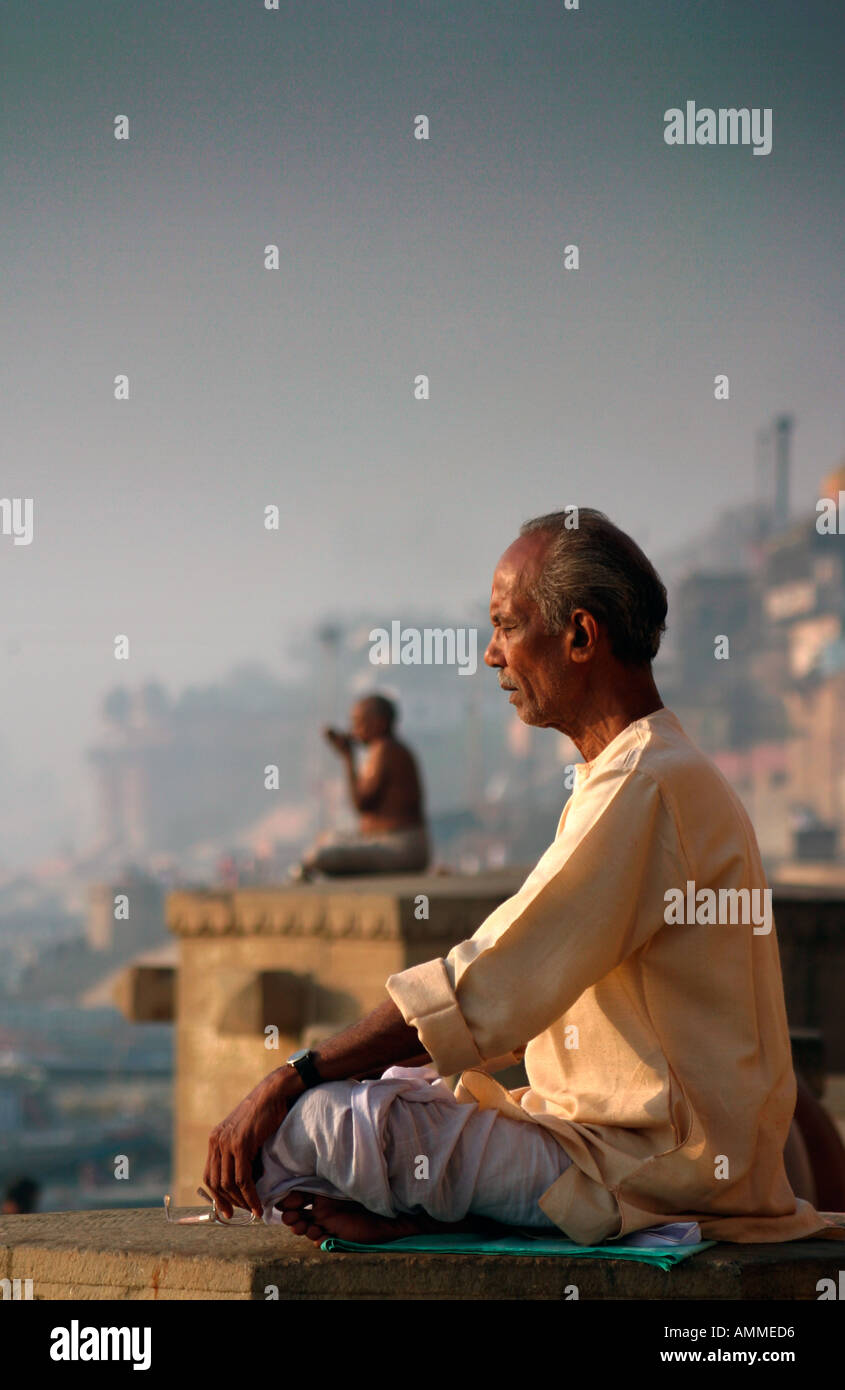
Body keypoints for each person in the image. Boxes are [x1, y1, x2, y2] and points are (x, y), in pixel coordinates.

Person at [205, 509, 845, 1248]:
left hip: (651, 1165)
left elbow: (483, 990)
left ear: (579, 635)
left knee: (313, 1125)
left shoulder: (643, 784)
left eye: (507, 626)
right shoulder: (644, 772)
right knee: (372, 1096)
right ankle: (418, 1211)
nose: (490, 655)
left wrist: (289, 1077)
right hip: (620, 1145)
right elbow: (500, 1010)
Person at [293, 694, 430, 879]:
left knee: (321, 856)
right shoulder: (383, 750)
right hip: (387, 842)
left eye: (359, 722)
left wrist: (348, 757)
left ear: (380, 723)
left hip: (401, 847)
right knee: (327, 840)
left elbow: (361, 803)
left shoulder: (385, 749)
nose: (354, 729)